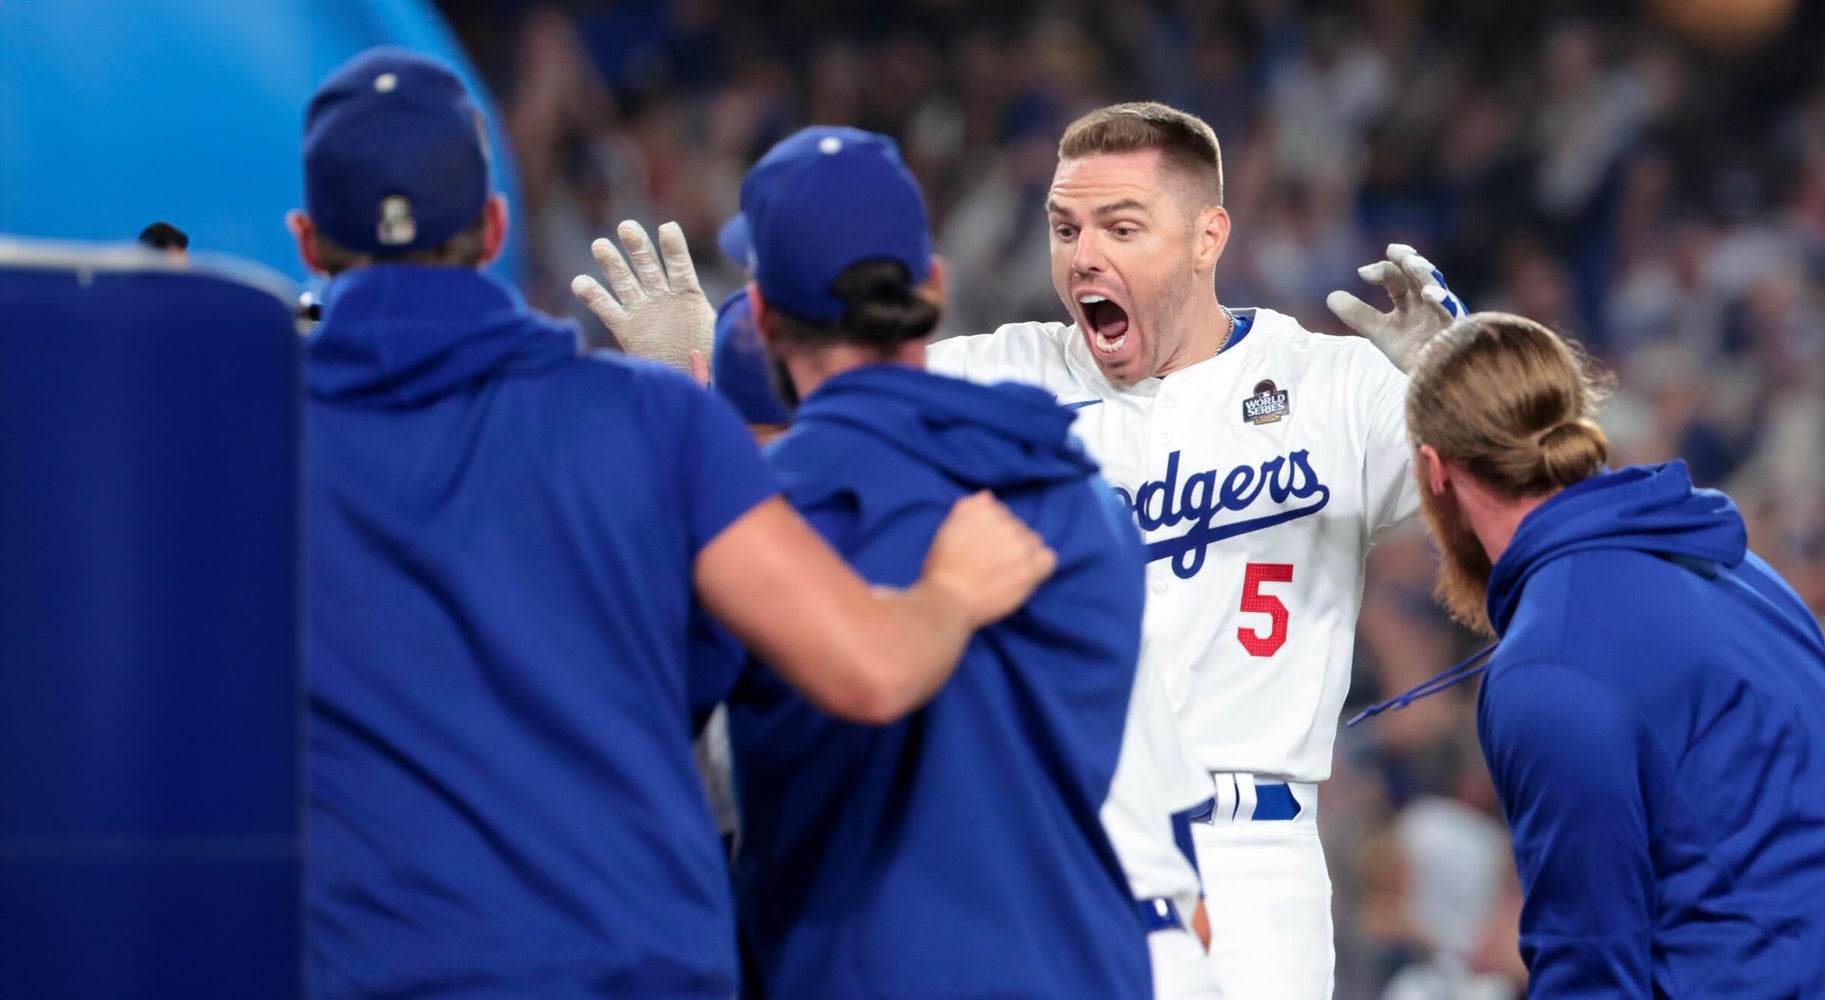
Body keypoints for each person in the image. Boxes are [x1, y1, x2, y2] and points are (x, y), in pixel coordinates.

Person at [581, 101, 1462, 1000]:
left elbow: (1523, 495)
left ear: (1208, 238)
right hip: (1046, 828)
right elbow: (820, 417)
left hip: (1254, 854)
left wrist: (1466, 384)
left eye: (1121, 226)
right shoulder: (994, 376)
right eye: (1065, 227)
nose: (1084, 255)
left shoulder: (1334, 382)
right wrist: (711, 372)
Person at [295, 49, 1054, 1000]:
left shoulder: (235, 449)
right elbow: (868, 671)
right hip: (629, 965)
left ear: (307, 240)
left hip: (373, 966)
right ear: (493, 227)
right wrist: (948, 590)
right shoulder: (653, 423)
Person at [1370, 310, 1825, 996]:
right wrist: (1477, 370)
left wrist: (1461, 386)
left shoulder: (1547, 669)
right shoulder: (1740, 570)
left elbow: (1591, 973)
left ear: (1434, 473)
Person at [693, 124, 1150, 1000]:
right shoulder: (1080, 499)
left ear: (758, 316)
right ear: (932, 290)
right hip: (1084, 970)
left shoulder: (747, 522)